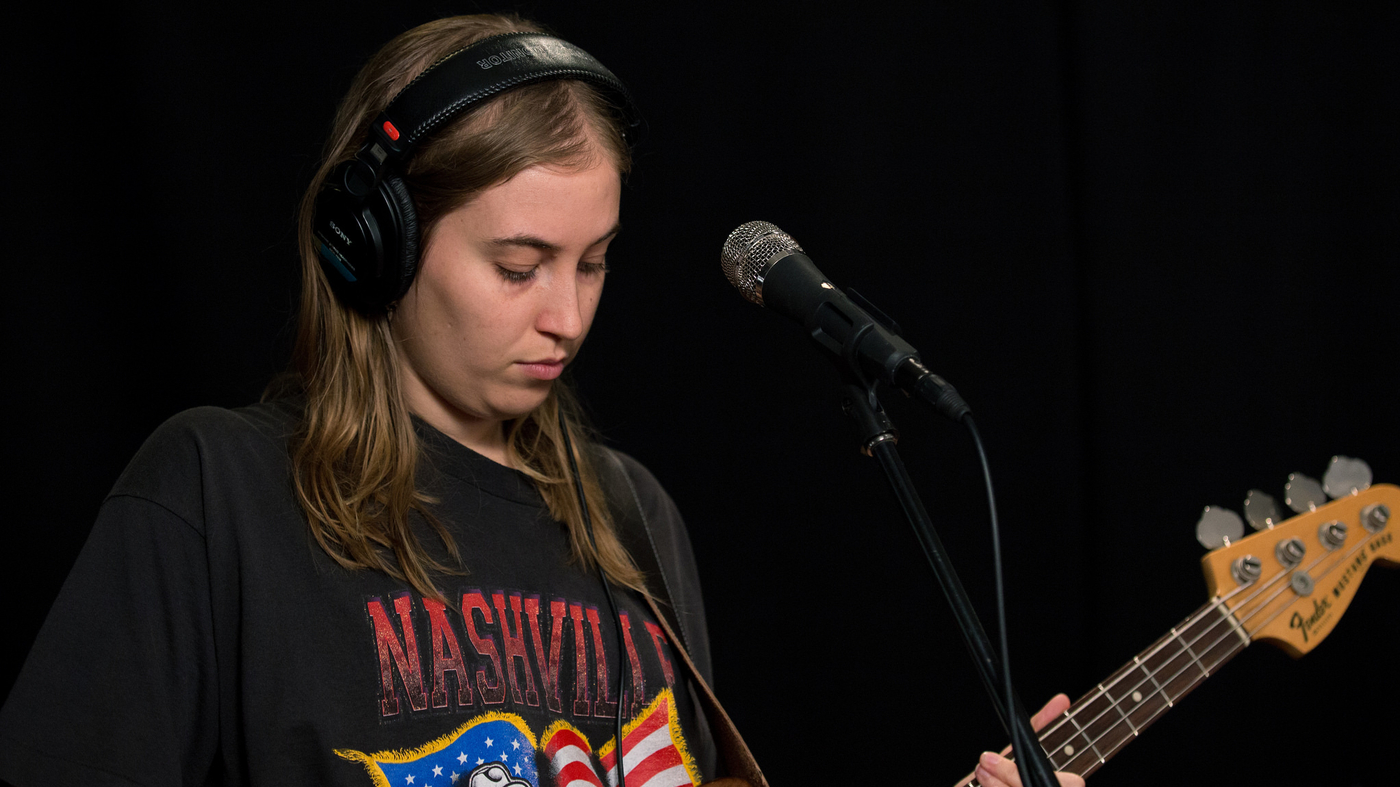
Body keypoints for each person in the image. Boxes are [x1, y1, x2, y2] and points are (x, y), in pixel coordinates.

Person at [0, 13, 1083, 787]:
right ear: (377, 247)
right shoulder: (214, 493)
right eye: (519, 266)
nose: (566, 316)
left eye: (593, 262)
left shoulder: (633, 517)